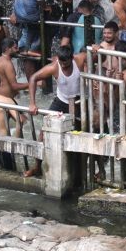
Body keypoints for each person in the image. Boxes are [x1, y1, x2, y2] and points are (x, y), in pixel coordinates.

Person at [25, 45, 88, 176]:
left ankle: (83, 172)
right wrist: (32, 103)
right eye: (61, 64)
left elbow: (99, 55)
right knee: (43, 134)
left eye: (66, 64)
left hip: (79, 103)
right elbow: (33, 78)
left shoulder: (80, 59)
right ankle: (37, 166)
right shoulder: (54, 67)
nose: (63, 67)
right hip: (61, 102)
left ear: (72, 58)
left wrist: (97, 48)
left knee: (82, 136)